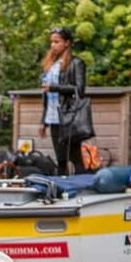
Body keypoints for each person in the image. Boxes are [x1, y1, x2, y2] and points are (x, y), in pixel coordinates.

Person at [38, 26, 88, 175]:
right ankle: (62, 190)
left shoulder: (76, 63)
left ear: (67, 43)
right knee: (60, 158)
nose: (53, 45)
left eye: (57, 42)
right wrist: (43, 121)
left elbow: (79, 89)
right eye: (51, 42)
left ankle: (81, 187)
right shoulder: (51, 64)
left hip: (68, 115)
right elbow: (46, 96)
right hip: (53, 116)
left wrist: (55, 88)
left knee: (74, 156)